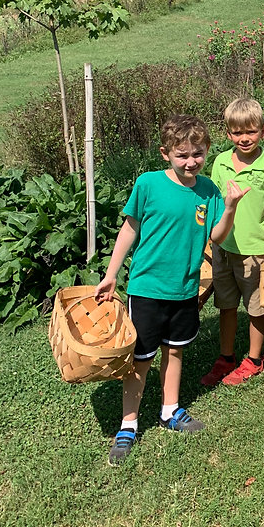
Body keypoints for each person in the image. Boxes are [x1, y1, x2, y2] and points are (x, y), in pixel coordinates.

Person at [96, 115, 247, 465]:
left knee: (175, 351)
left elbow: (217, 236)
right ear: (166, 153)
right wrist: (111, 273)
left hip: (185, 290)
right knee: (140, 358)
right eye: (183, 155)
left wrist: (230, 208)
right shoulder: (148, 185)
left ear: (206, 151)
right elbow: (129, 230)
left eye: (198, 154)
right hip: (147, 288)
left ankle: (170, 410)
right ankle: (128, 424)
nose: (191, 161)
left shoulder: (208, 190)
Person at [200, 99, 264, 388]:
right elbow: (212, 203)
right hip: (224, 248)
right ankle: (226, 356)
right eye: (237, 133)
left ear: (263, 130)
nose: (244, 138)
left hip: (256, 251)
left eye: (250, 131)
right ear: (227, 134)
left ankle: (255, 358)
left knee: (255, 307)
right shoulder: (221, 162)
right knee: (226, 305)